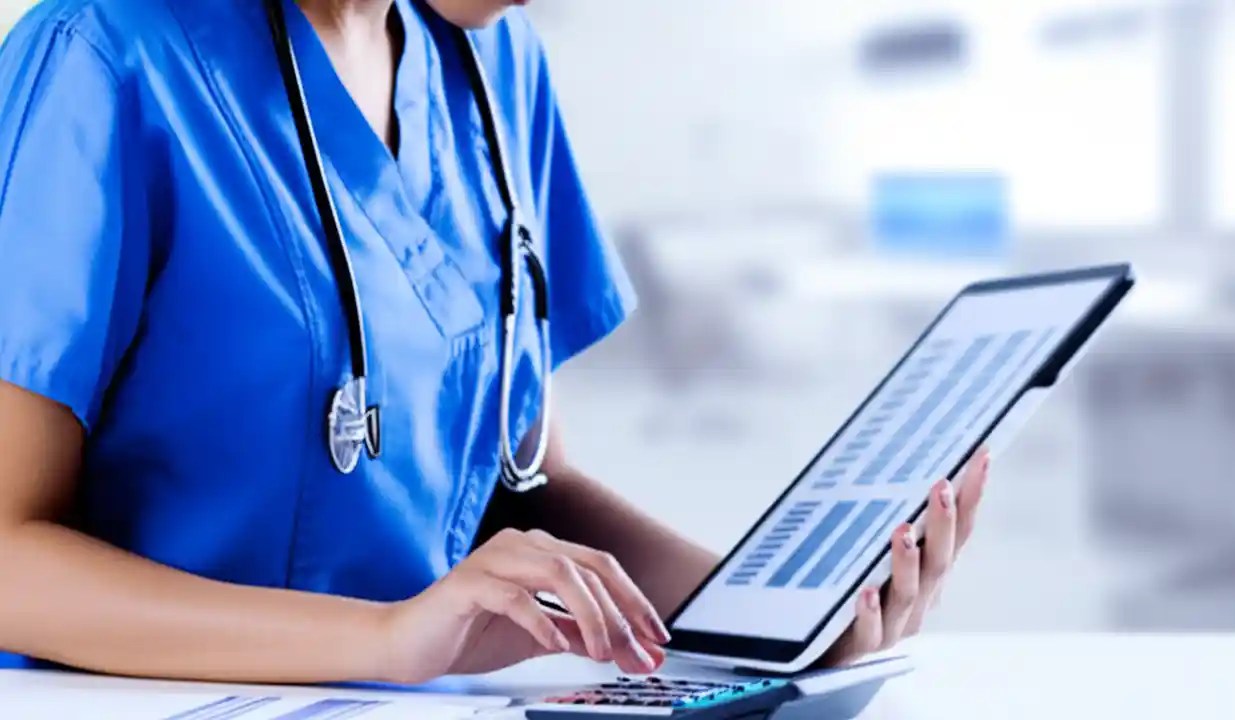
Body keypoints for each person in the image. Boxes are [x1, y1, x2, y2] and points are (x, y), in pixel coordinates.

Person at [0, 0, 990, 684]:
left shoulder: (494, 63)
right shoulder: (101, 55)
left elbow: (517, 494)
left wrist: (771, 616)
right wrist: (385, 641)